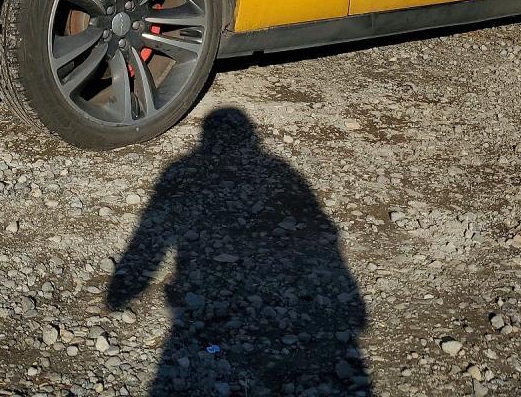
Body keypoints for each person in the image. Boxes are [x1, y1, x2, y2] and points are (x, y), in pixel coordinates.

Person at [108, 107, 372, 395]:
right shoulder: (279, 170)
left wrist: (126, 286)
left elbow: (152, 231)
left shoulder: (181, 170)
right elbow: (322, 231)